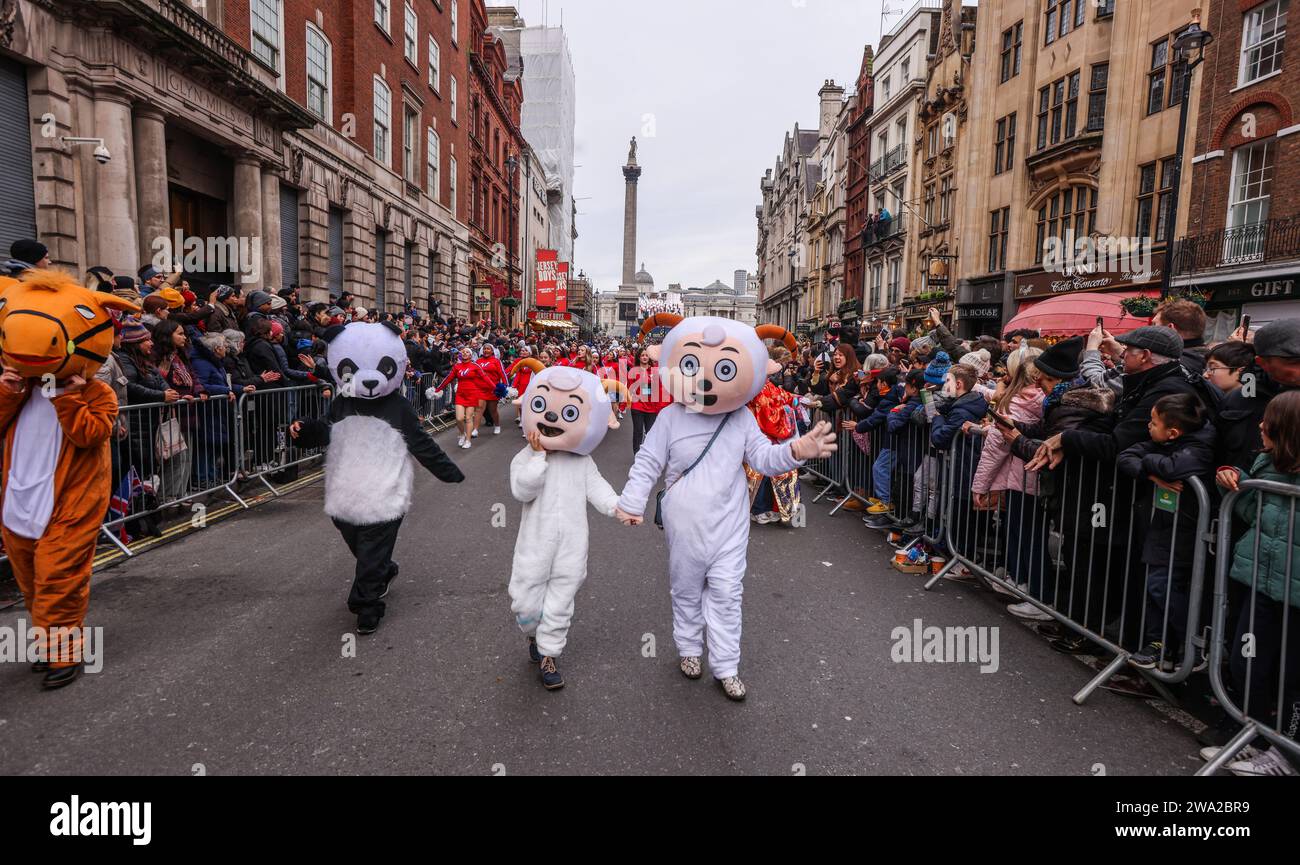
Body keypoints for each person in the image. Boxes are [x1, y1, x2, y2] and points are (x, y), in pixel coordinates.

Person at [615, 317, 836, 701]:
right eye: (691, 365)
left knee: (727, 593)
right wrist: (633, 500)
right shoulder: (670, 417)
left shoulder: (742, 418)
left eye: (724, 369)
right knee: (686, 590)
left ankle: (726, 666)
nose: (704, 379)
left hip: (729, 526)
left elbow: (764, 458)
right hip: (685, 525)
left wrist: (796, 450)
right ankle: (689, 648)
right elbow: (648, 461)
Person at [0, 272, 137, 689]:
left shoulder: (97, 393)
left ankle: (65, 653)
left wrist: (69, 397)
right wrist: (7, 392)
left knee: (58, 576)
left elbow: (90, 435)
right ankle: (46, 641)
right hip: (20, 497)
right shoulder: (18, 387)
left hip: (71, 501)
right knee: (30, 578)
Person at [291, 323, 465, 635]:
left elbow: (420, 443)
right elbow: (327, 430)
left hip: (386, 485)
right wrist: (305, 430)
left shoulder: (398, 406)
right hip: (348, 486)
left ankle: (366, 605)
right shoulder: (344, 400)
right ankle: (382, 569)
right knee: (354, 535)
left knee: (372, 543)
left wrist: (449, 472)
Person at [507, 360, 626, 689]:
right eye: (542, 407)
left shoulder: (581, 461)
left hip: (572, 545)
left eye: (569, 412)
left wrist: (620, 508)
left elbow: (599, 490)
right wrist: (537, 457)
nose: (551, 417)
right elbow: (522, 491)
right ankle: (533, 634)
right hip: (534, 544)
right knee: (525, 604)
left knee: (560, 601)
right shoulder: (524, 457)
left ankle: (549, 654)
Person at [1214, 390, 1300, 776]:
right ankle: (1261, 739)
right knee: (1245, 662)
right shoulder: (1266, 463)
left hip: (1294, 595)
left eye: (1270, 420)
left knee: (1291, 678)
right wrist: (1234, 481)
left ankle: (1287, 756)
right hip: (1260, 582)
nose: (1261, 425)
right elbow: (1252, 513)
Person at [1117, 394, 1217, 669]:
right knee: (1155, 586)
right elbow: (1126, 456)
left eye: (1153, 423)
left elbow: (1173, 468)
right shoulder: (1165, 443)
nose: (1148, 427)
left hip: (1186, 531)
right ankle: (1157, 643)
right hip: (1163, 527)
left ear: (1172, 433)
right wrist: (1151, 473)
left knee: (1163, 586)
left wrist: (1152, 461)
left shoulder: (1199, 446)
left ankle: (1190, 641)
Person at [970, 346, 1047, 616]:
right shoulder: (1040, 399)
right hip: (1028, 475)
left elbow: (995, 448)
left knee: (1025, 534)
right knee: (1024, 533)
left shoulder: (1018, 402)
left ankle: (1035, 593)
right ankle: (1021, 582)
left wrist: (980, 485)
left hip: (1023, 476)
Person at [431, 346, 492, 449]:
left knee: (468, 418)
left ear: (470, 355)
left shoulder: (475, 366)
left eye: (467, 352)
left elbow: (485, 377)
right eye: (463, 352)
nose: (464, 353)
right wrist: (438, 389)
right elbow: (448, 378)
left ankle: (468, 440)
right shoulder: (457, 366)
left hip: (472, 394)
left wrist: (496, 388)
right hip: (460, 394)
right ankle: (462, 434)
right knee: (459, 418)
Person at [628, 344, 671, 454]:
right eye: (642, 355)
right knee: (638, 432)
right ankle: (637, 454)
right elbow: (630, 388)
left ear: (650, 357)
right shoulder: (633, 371)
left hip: (652, 407)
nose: (644, 357)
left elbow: (659, 388)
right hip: (638, 406)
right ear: (639, 357)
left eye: (646, 355)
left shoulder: (655, 371)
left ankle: (648, 455)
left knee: (650, 432)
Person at [1152, 299, 1210, 376]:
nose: (1151, 330)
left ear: (1170, 329)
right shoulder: (1214, 360)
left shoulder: (1171, 369)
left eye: (1154, 325)